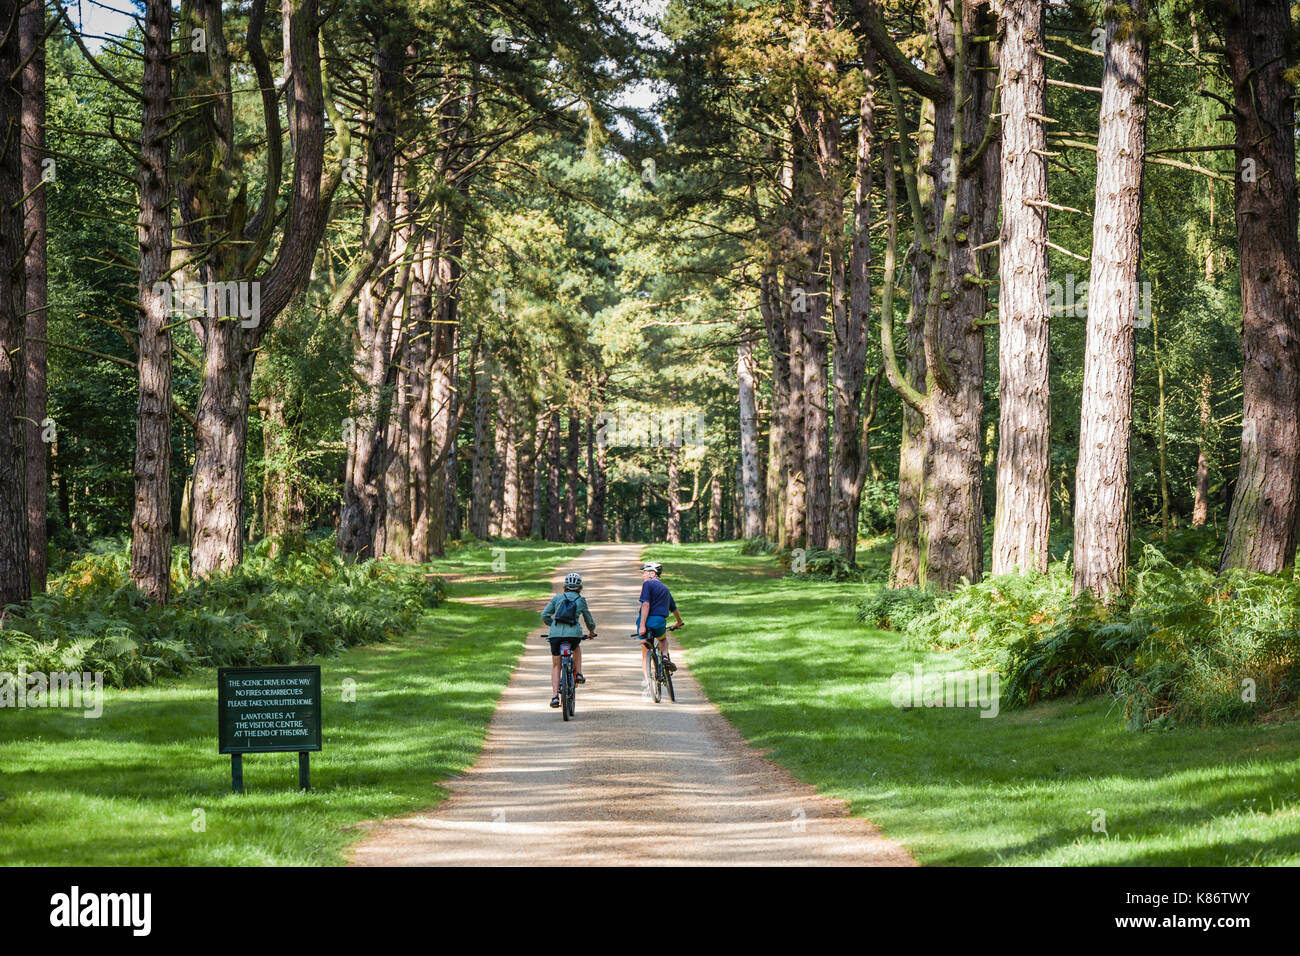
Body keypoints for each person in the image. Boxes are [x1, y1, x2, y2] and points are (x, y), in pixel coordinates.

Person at [542, 571, 597, 709]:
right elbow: (589, 620)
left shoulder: (557, 598)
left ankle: (555, 696)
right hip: (573, 635)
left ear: (565, 585)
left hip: (555, 636)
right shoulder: (581, 600)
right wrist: (591, 632)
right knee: (576, 648)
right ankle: (578, 674)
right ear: (580, 587)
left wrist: (553, 625)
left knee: (556, 665)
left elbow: (545, 615)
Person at [637, 562, 683, 682]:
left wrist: (642, 625)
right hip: (659, 622)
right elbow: (674, 608)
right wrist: (678, 622)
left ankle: (648, 683)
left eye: (645, 573)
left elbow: (646, 604)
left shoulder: (647, 584)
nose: (643, 576)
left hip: (646, 622)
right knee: (663, 639)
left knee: (645, 650)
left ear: (652, 574)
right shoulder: (665, 589)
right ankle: (664, 656)